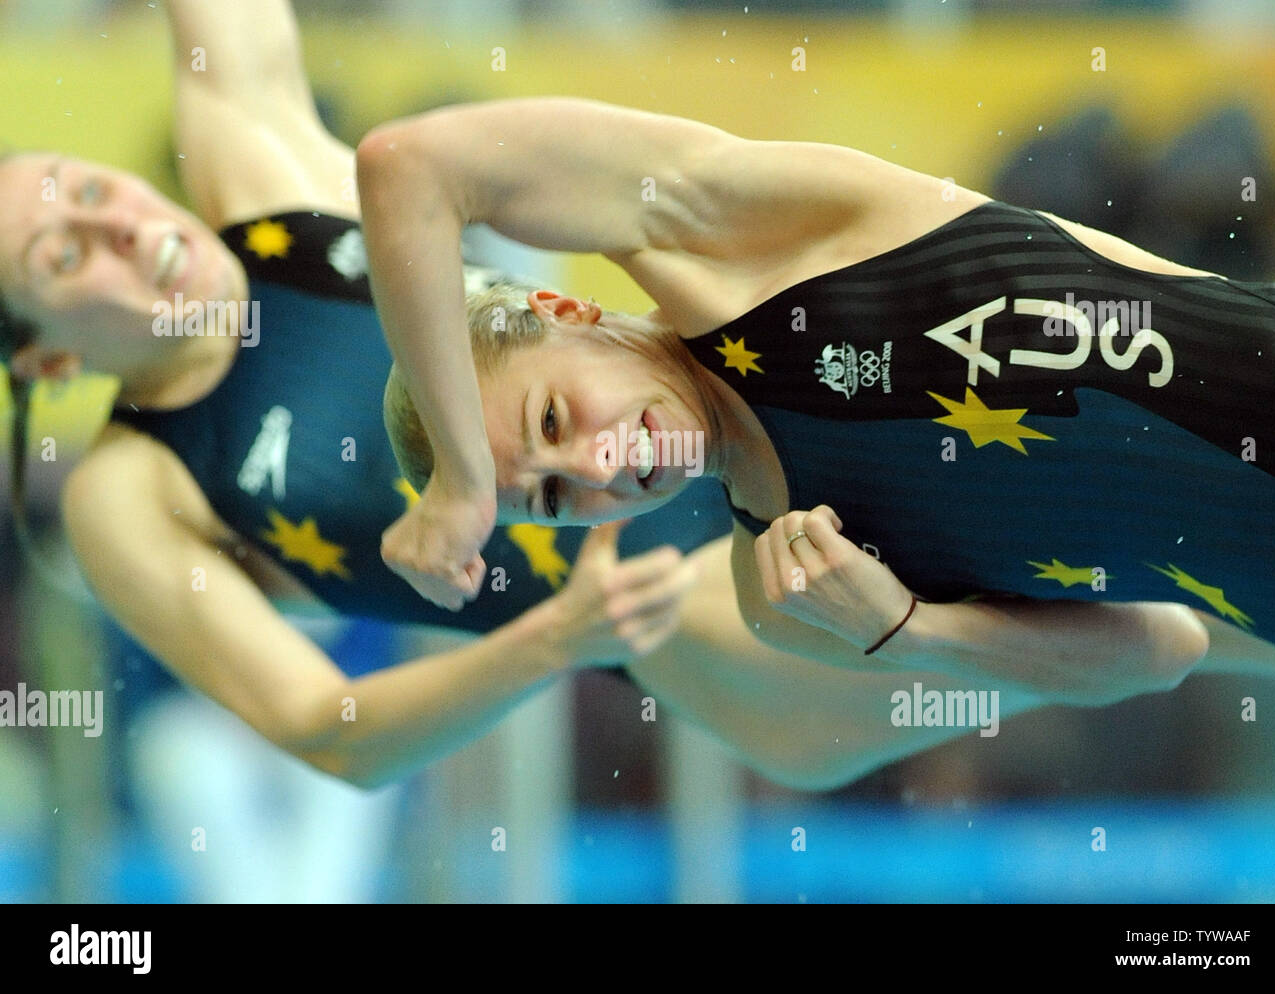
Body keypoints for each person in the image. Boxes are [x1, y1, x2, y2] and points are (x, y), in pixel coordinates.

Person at [0, 0, 1062, 795]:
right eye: (64, 254)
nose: (126, 228)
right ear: (45, 360)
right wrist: (559, 637)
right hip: (728, 637)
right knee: (1125, 634)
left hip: (775, 434)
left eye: (91, 188)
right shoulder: (130, 489)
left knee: (1181, 597)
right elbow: (330, 727)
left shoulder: (267, 181)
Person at [366, 96, 1275, 699]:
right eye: (555, 498)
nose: (600, 466)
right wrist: (907, 632)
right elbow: (1163, 648)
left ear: (567, 309)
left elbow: (409, 163)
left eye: (554, 421)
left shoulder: (739, 241)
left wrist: (462, 485)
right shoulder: (790, 589)